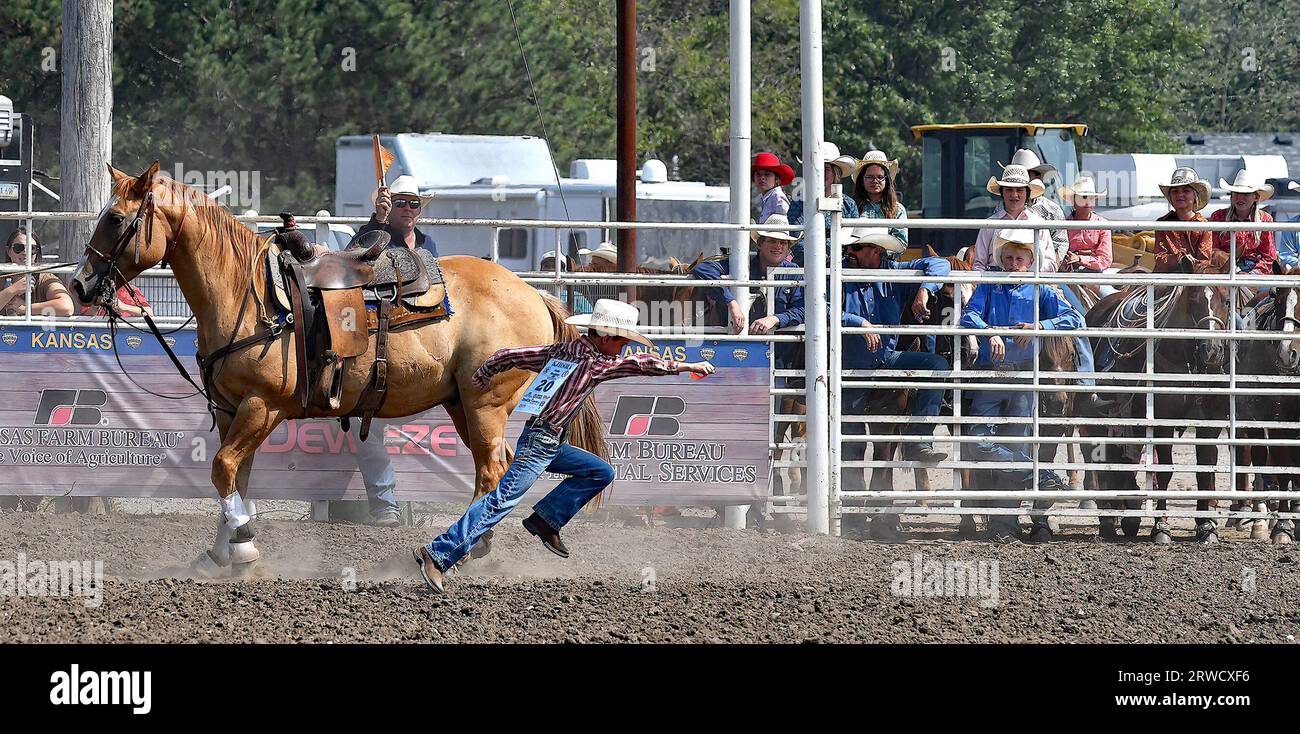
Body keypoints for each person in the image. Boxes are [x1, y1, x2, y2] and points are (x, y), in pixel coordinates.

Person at [411, 299, 715, 594]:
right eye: (622, 340)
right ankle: (438, 554)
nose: (624, 346)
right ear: (606, 337)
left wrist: (484, 373)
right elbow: (640, 364)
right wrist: (686, 365)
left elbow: (511, 356)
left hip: (546, 440)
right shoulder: (596, 362)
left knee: (600, 472)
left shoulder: (562, 351)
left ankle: (546, 520)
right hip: (542, 444)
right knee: (500, 502)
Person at [960, 229, 1080, 543]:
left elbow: (1074, 318)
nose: (1014, 262)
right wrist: (991, 332)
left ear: (1029, 261)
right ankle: (1042, 475)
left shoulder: (1040, 290)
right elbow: (968, 315)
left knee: (1014, 447)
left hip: (1025, 376)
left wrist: (1041, 327)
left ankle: (1005, 525)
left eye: (1020, 258)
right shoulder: (990, 286)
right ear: (1002, 259)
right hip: (993, 373)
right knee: (980, 442)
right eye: (1009, 257)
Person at [839, 226, 951, 538]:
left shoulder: (893, 271)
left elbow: (940, 263)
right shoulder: (838, 274)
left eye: (879, 249)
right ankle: (852, 515)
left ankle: (918, 438)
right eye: (870, 249)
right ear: (855, 252)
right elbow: (822, 307)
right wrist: (858, 322)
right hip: (848, 367)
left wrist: (925, 289)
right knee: (853, 444)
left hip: (883, 360)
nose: (877, 255)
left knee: (937, 364)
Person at [690, 214, 805, 335]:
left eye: (783, 243)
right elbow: (703, 268)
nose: (778, 246)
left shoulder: (793, 272)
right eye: (772, 241)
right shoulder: (742, 266)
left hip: (779, 349)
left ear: (788, 248)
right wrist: (732, 302)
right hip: (735, 342)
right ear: (759, 244)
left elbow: (802, 309)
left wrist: (775, 319)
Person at [788, 141, 861, 265]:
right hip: (805, 264)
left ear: (835, 172)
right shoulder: (799, 202)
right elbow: (794, 236)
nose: (819, 173)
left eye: (825, 169)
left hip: (841, 265)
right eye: (816, 168)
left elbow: (855, 240)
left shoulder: (849, 205)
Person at [992, 149, 1068, 264]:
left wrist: (1050, 271)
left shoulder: (1052, 209)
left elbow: (1060, 244)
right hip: (1008, 266)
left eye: (1029, 174)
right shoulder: (1001, 209)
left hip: (1042, 268)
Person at [1208, 171, 1277, 276]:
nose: (1240, 198)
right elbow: (1212, 250)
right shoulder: (1218, 216)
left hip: (1253, 267)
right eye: (1236, 193)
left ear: (1256, 197)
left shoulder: (1265, 219)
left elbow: (1268, 257)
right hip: (1223, 267)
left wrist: (1252, 274)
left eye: (1246, 194)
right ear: (1231, 196)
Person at [358, 175, 439, 257]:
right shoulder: (376, 239)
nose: (407, 208)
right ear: (388, 206)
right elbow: (352, 256)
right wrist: (379, 219)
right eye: (400, 203)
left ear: (419, 210)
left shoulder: (428, 243)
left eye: (414, 204)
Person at [0, 228, 74, 317]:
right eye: (18, 248)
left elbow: (67, 307)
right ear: (8, 251)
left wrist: (26, 308)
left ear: (37, 253)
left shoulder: (45, 278)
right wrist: (12, 290)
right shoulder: (2, 278)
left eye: (31, 249)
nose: (25, 252)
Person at [1153, 167, 1213, 273]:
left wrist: (1188, 262)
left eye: (1185, 191)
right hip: (1166, 277)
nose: (1180, 195)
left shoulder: (1203, 225)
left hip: (1194, 279)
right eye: (1175, 191)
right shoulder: (1162, 223)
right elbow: (1159, 258)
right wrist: (1179, 259)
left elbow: (1204, 260)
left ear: (1195, 196)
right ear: (1170, 197)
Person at [850, 149, 908, 246]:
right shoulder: (850, 206)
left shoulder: (898, 209)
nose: (875, 181)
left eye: (880, 177)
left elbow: (901, 242)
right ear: (862, 180)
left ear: (887, 180)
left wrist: (879, 252)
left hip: (886, 260)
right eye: (869, 177)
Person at [1059, 176, 1113, 273]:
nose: (1088, 202)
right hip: (1068, 273)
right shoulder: (1063, 225)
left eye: (1091, 198)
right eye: (1083, 197)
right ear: (1074, 201)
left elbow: (1106, 259)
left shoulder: (1103, 225)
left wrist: (1080, 259)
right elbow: (1058, 255)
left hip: (1096, 274)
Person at [539, 250, 594, 315]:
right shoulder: (536, 295)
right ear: (541, 270)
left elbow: (590, 316)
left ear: (563, 271)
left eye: (556, 266)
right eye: (547, 266)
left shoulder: (577, 298)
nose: (551, 270)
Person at [751, 152, 793, 224]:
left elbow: (782, 228)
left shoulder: (778, 198)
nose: (762, 178)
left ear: (777, 179)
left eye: (767, 174)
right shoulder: (768, 198)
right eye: (758, 174)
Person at [80, 283, 153, 318]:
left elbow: (149, 312)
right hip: (101, 333)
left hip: (127, 332)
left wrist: (124, 307)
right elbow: (85, 316)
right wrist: (96, 303)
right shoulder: (94, 290)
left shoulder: (131, 290)